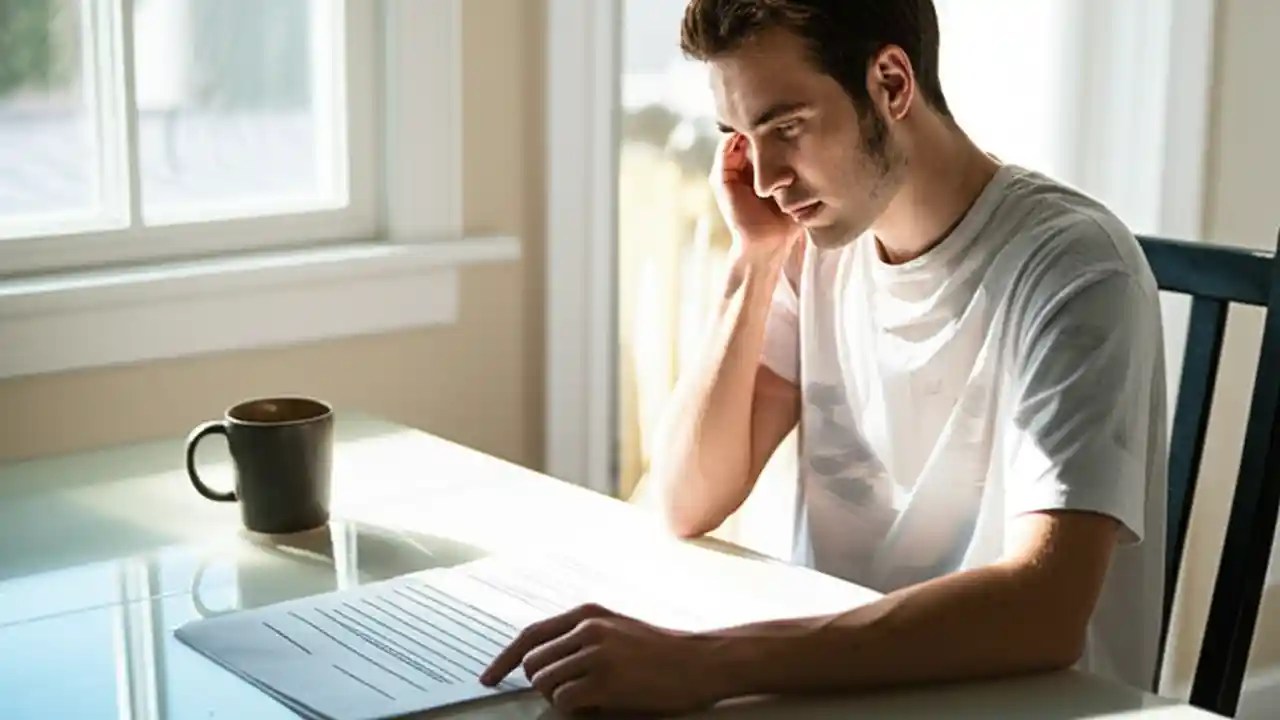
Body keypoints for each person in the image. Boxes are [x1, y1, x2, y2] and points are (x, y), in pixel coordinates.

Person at [480, 0, 1168, 714]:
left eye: (787, 127)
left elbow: (1044, 610)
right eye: (740, 137)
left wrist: (706, 662)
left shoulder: (1075, 269)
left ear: (891, 84)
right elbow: (688, 499)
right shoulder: (821, 242)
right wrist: (754, 258)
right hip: (835, 689)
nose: (765, 178)